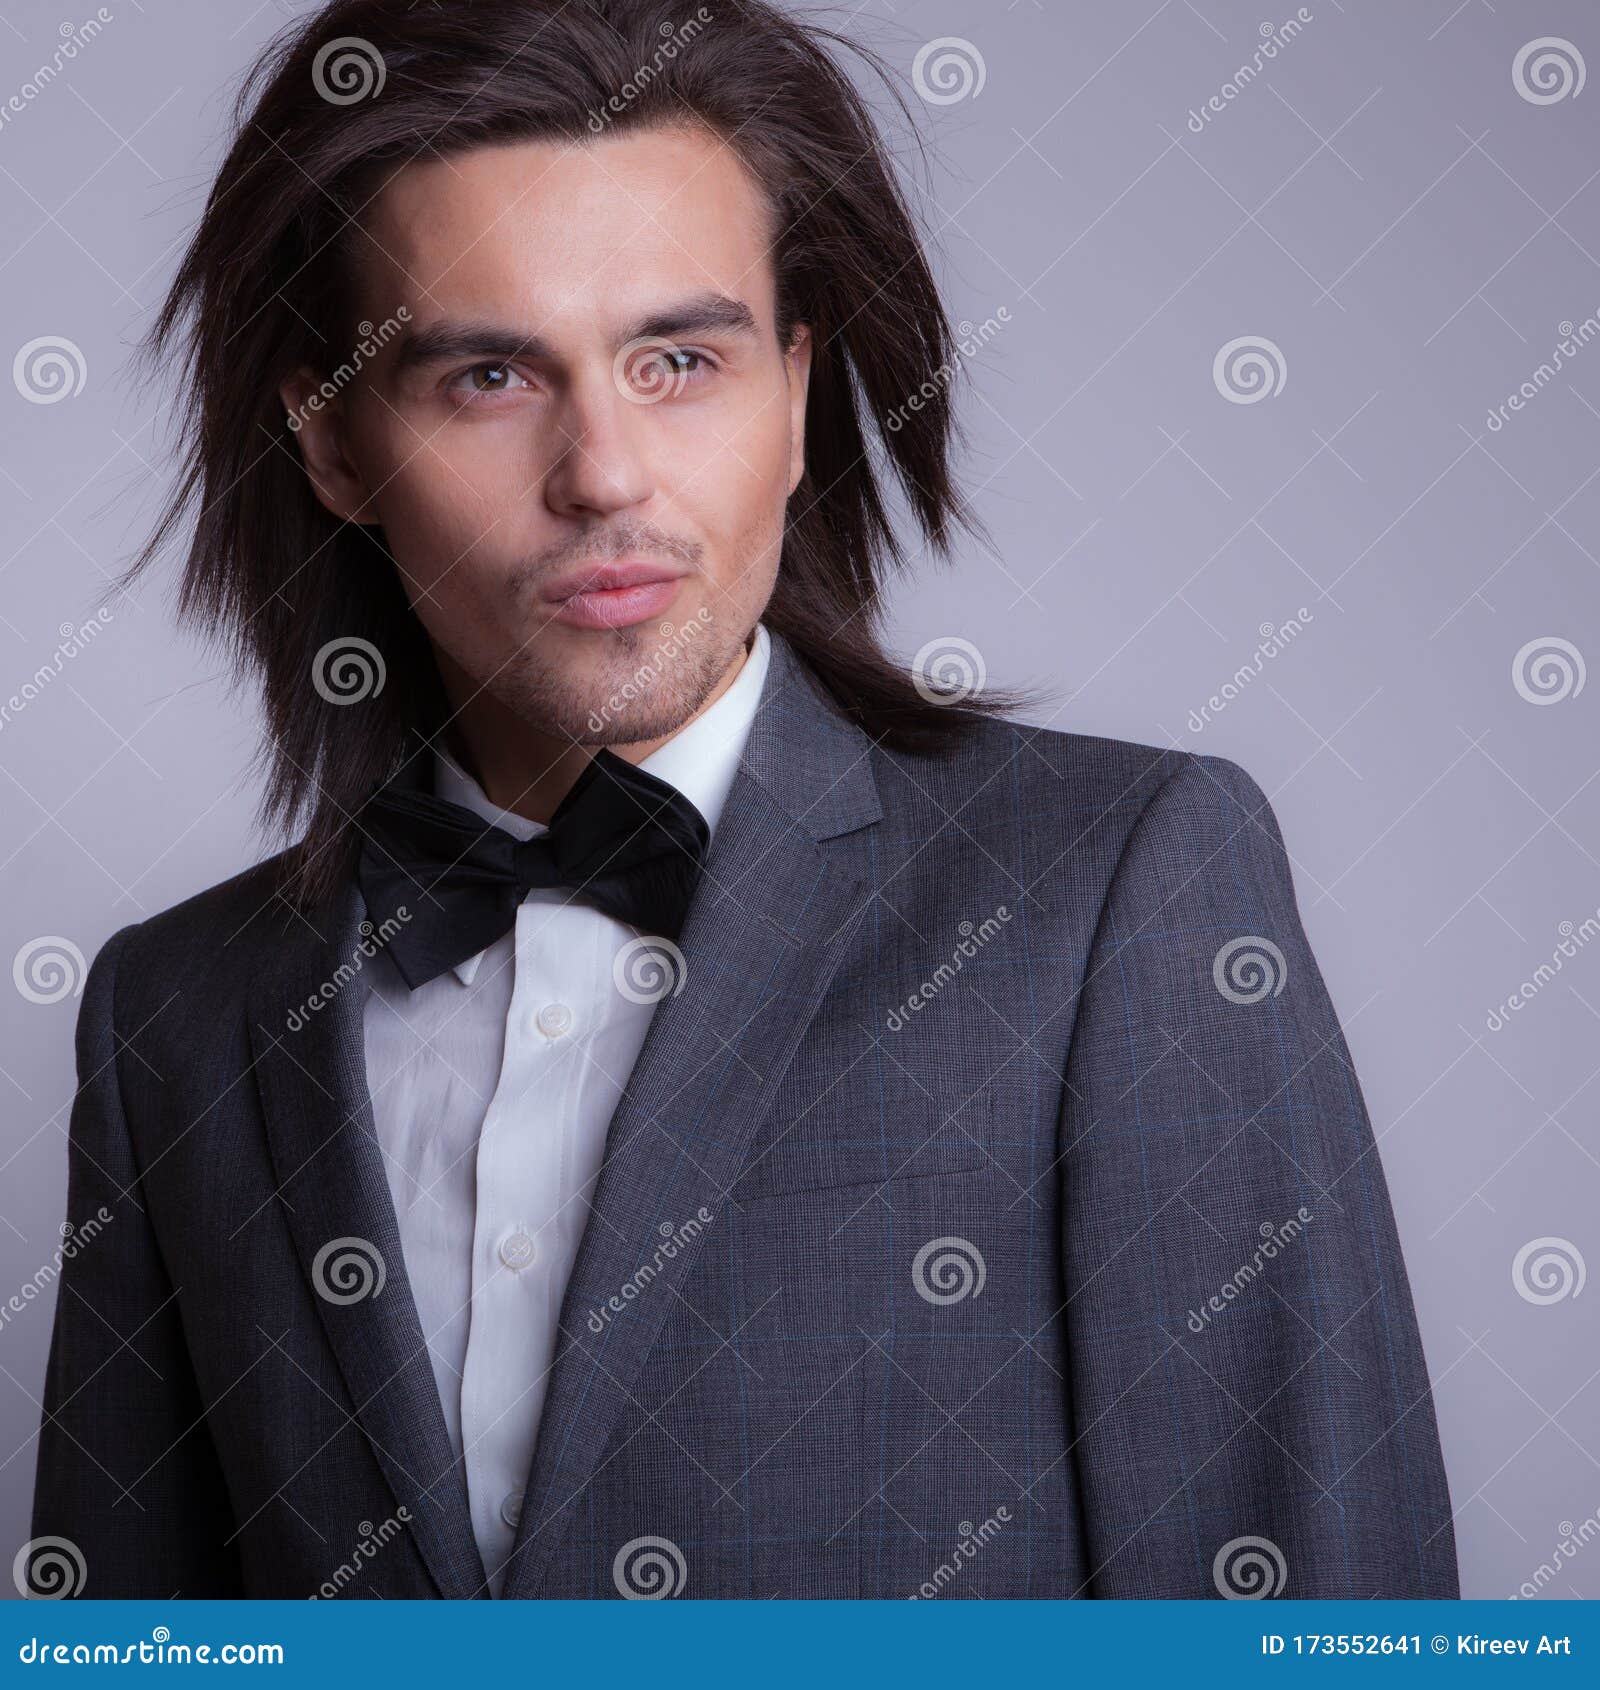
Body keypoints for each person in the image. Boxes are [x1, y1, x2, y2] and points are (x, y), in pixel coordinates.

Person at [27, 0, 1457, 1601]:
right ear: (337, 445)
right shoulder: (177, 1016)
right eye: (491, 374)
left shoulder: (1121, 886)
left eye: (680, 360)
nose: (607, 475)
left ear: (794, 394)